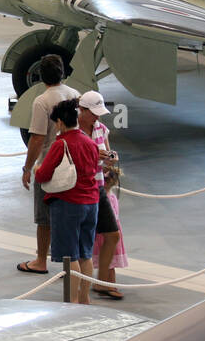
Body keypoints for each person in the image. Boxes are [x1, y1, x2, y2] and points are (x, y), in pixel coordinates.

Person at [33, 98, 100, 304]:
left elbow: (43, 175)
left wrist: (36, 169)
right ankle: (84, 297)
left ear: (60, 122)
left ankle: (70, 303)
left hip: (68, 205)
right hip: (92, 203)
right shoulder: (90, 142)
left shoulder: (60, 144)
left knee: (70, 257)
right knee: (85, 255)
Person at [18, 54, 79, 274]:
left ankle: (41, 260)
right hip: (73, 166)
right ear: (63, 73)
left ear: (40, 76)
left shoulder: (42, 101)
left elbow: (37, 138)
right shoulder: (75, 95)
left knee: (44, 218)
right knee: (70, 216)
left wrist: (27, 168)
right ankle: (71, 261)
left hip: (49, 167)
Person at [78, 90, 125, 299]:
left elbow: (107, 155)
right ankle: (84, 286)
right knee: (82, 240)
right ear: (82, 110)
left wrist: (110, 159)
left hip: (98, 188)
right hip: (79, 190)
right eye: (93, 113)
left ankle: (101, 280)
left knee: (112, 235)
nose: (97, 117)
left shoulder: (101, 129)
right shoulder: (72, 132)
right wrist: (95, 155)